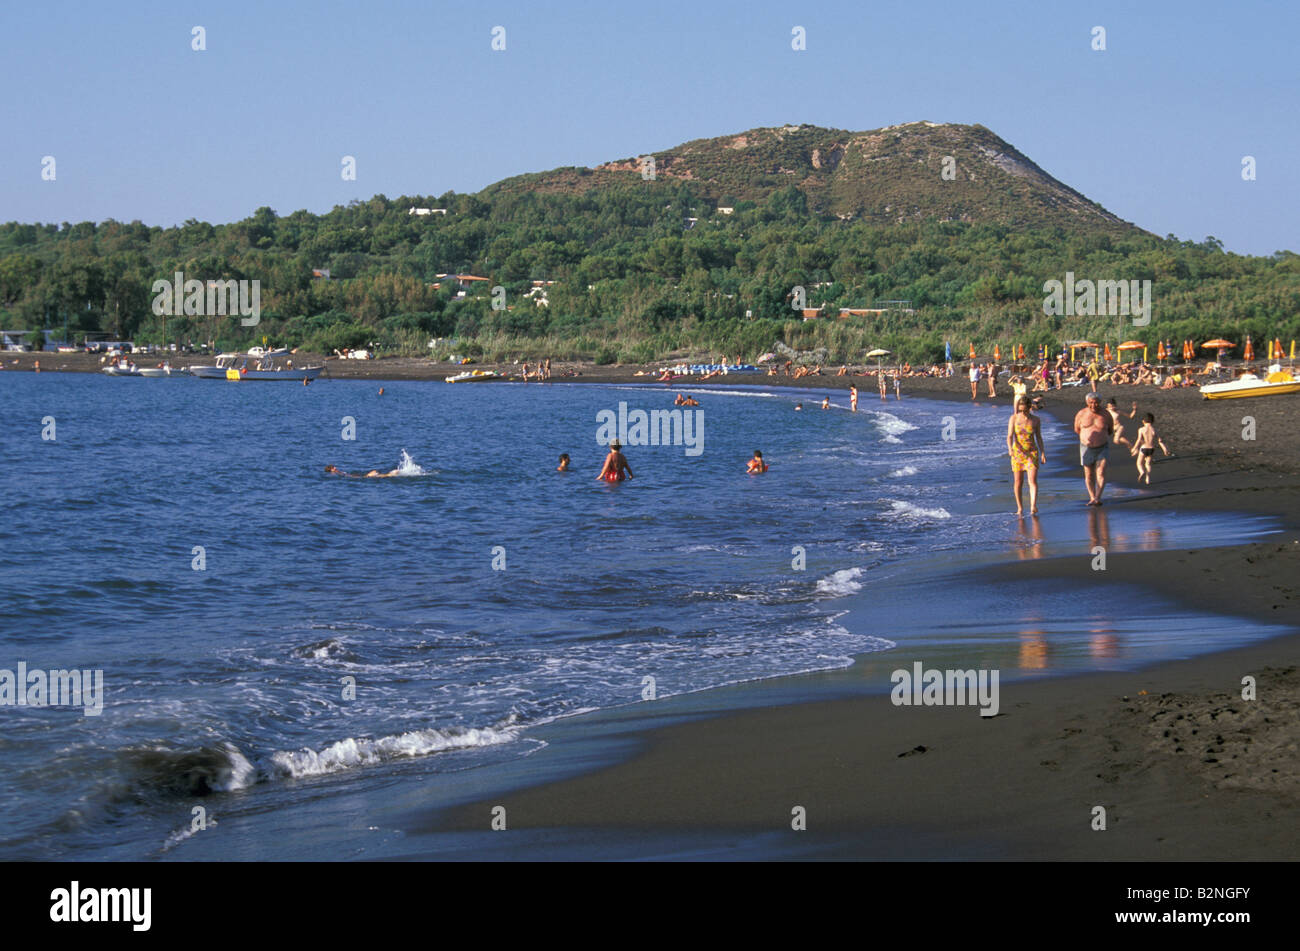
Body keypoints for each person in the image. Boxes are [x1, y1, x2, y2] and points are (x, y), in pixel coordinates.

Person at [1006, 396, 1046, 515]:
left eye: (1025, 410)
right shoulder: (1013, 418)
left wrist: (1043, 453)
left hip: (1031, 452)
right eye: (1020, 410)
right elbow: (1009, 436)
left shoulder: (1036, 420)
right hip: (1018, 452)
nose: (1023, 413)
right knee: (1018, 482)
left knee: (1032, 481)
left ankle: (1033, 506)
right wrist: (1010, 449)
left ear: (1030, 408)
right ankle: (1020, 508)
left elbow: (1039, 437)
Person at [1073, 392, 1113, 506]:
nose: (1093, 405)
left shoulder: (1106, 414)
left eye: (1096, 402)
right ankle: (1091, 496)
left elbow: (1110, 430)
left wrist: (1100, 437)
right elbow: (1076, 429)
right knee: (1089, 474)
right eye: (1091, 402)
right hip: (1086, 447)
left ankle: (1098, 497)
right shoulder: (1081, 414)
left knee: (1100, 472)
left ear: (1099, 402)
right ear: (1087, 402)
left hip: (1102, 447)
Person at [1130, 414, 1171, 484]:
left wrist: (1134, 448)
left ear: (1143, 421)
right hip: (1151, 449)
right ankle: (1147, 478)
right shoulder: (1154, 430)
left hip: (1144, 448)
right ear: (1153, 421)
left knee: (1139, 463)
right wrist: (1165, 449)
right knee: (1148, 464)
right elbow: (1160, 440)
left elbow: (1139, 440)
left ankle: (1142, 472)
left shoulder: (1141, 429)